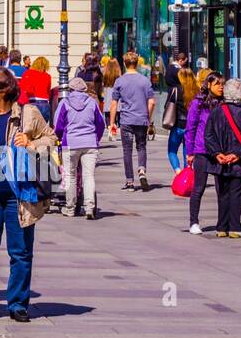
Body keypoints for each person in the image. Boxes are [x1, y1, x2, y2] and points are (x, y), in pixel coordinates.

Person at [0, 67, 57, 323]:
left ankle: (18, 304)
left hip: (21, 194)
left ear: (2, 91)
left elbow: (51, 140)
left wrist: (31, 144)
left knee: (21, 252)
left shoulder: (29, 114)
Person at [202, 78, 241, 238]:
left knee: (223, 194)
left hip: (219, 162)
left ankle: (221, 227)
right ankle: (234, 226)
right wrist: (237, 154)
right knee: (236, 193)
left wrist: (217, 153)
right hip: (238, 162)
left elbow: (208, 135)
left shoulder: (216, 111)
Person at [56, 76, 105, 219]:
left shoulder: (65, 103)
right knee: (88, 176)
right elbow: (100, 124)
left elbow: (58, 124)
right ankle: (89, 208)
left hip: (70, 143)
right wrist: (96, 138)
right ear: (84, 89)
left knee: (70, 176)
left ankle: (70, 208)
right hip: (90, 143)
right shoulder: (92, 103)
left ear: (70, 89)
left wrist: (60, 138)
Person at [107, 51, 155, 192]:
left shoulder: (120, 81)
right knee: (141, 146)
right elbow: (152, 102)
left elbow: (114, 104)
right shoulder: (145, 81)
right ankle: (142, 170)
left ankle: (129, 181)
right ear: (137, 63)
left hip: (126, 120)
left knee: (127, 150)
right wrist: (148, 118)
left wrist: (112, 123)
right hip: (141, 120)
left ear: (125, 64)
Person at [184, 72, 225, 234]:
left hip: (220, 151)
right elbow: (191, 127)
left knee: (221, 189)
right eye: (217, 84)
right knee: (198, 188)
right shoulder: (198, 103)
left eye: (222, 84)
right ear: (208, 85)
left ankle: (222, 222)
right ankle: (193, 221)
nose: (221, 87)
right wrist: (190, 152)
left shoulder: (224, 103)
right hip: (202, 150)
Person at [165, 68, 196, 172]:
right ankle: (187, 174)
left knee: (172, 151)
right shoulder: (197, 91)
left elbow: (167, 106)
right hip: (191, 127)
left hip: (178, 125)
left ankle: (178, 171)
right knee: (187, 153)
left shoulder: (176, 90)